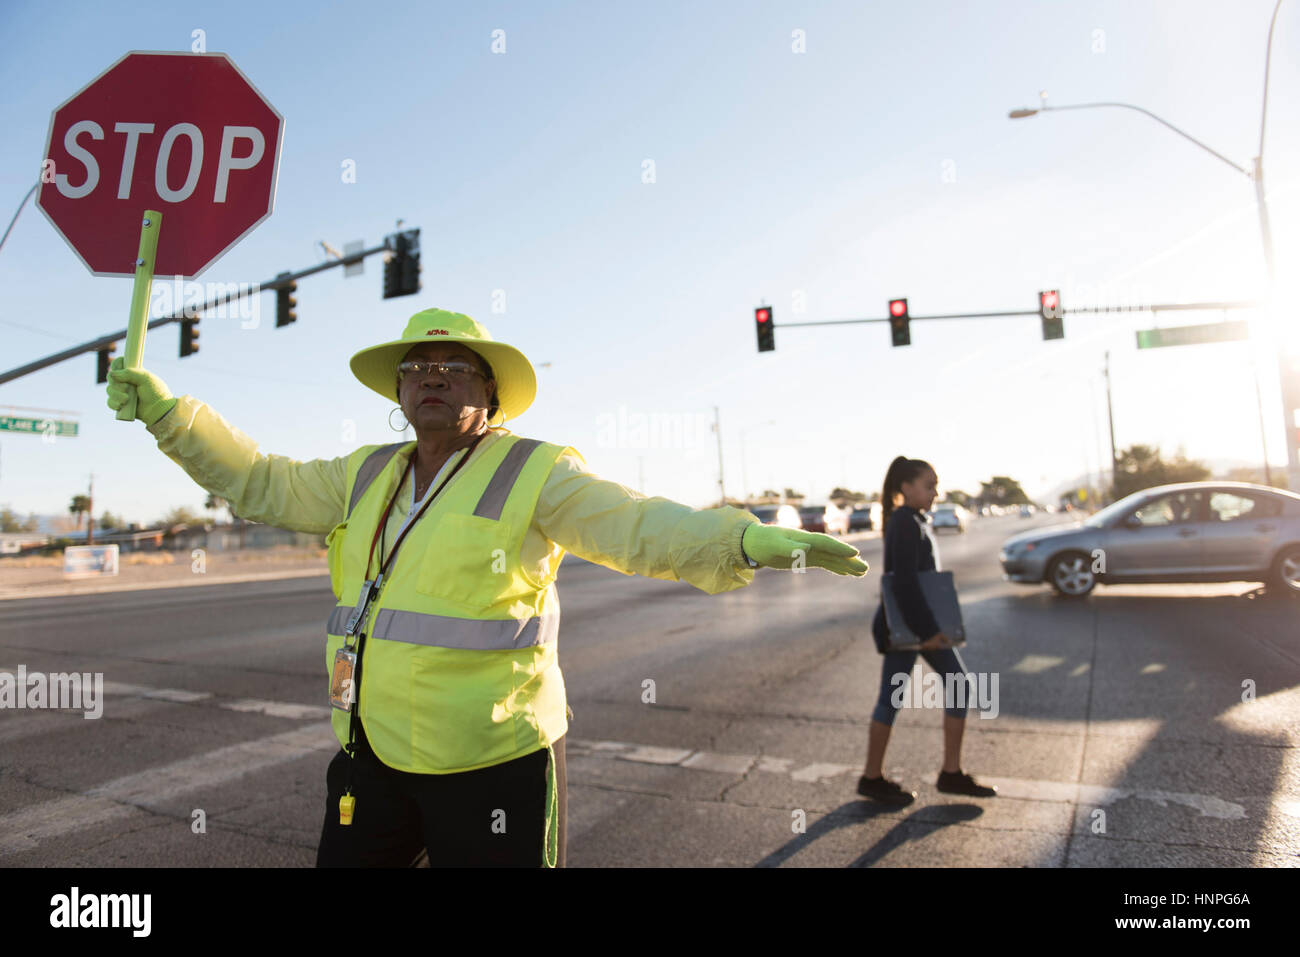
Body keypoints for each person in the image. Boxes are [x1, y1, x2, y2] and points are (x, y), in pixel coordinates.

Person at [106, 307, 868, 866]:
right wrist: (170, 416)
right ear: (398, 393)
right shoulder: (364, 472)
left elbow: (636, 525)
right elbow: (258, 480)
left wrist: (741, 537)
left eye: (454, 368)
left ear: (491, 395)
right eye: (416, 369)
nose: (431, 377)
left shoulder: (534, 468)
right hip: (369, 756)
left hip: (492, 764)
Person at [857, 456, 996, 806]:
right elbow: (902, 583)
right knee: (902, 696)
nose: (936, 492)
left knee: (940, 690)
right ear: (906, 487)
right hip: (910, 628)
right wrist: (928, 632)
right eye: (929, 485)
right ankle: (876, 778)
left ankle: (945, 773)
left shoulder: (912, 519)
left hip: (912, 626)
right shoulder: (905, 522)